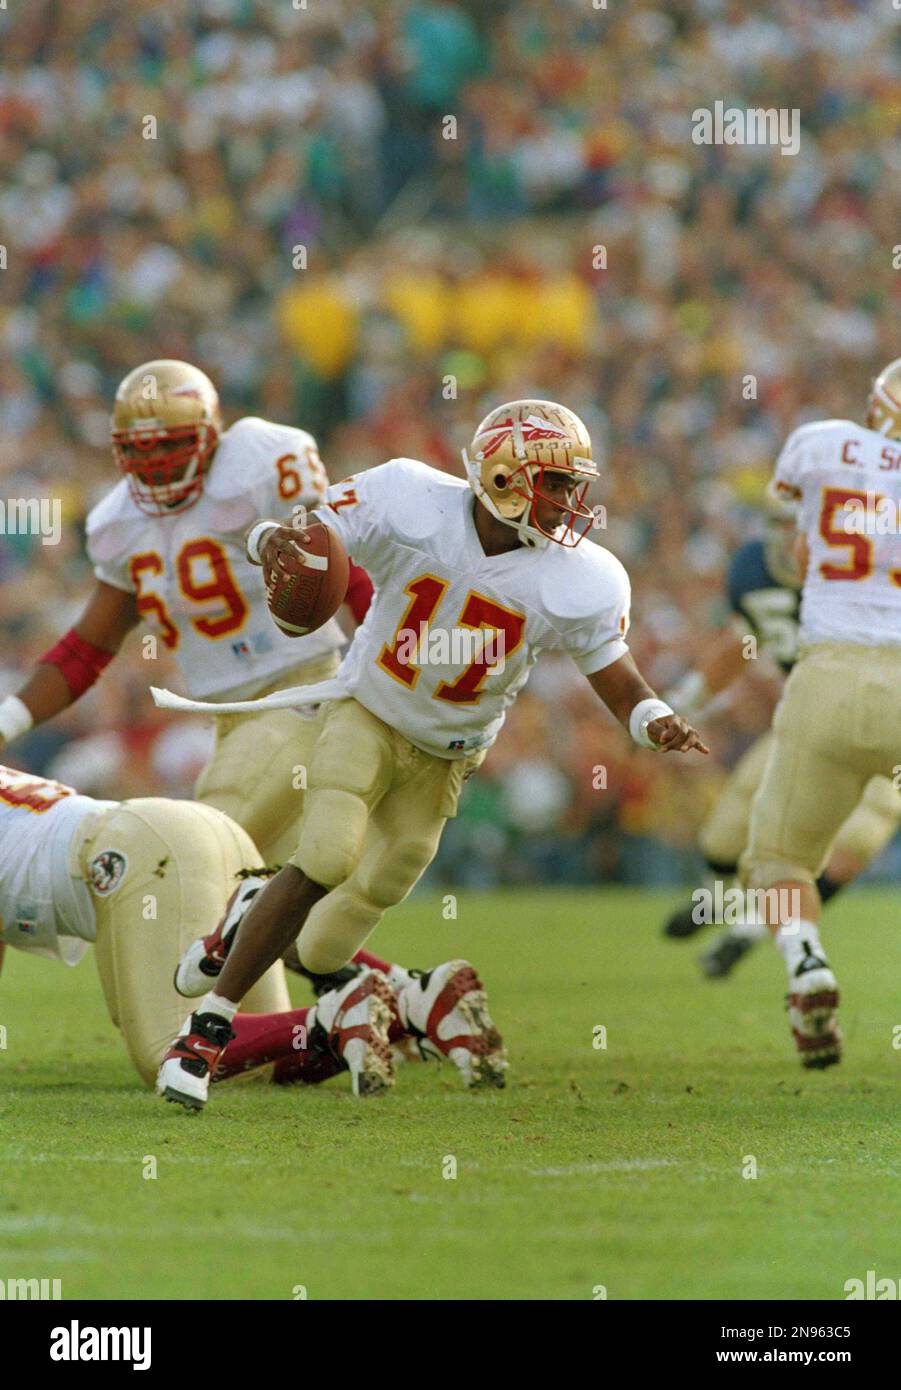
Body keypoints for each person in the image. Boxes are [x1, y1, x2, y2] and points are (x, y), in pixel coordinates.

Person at [152, 398, 708, 1110]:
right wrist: (273, 541)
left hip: (447, 756)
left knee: (328, 943)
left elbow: (613, 671)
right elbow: (316, 536)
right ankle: (203, 1036)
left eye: (574, 485)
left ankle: (251, 907)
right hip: (368, 713)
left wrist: (651, 717)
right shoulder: (409, 500)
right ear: (504, 478)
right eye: (559, 484)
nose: (573, 501)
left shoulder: (585, 579)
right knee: (325, 856)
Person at [0, 360, 373, 871]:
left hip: (300, 690)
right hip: (226, 715)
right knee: (270, 889)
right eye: (138, 449)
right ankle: (372, 959)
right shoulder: (120, 522)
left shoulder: (258, 465)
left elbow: (341, 570)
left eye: (170, 444)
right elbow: (86, 649)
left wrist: (389, 674)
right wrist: (6, 721)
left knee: (196, 859)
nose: (154, 463)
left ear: (209, 434)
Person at [0, 762, 503, 1102]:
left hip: (144, 851)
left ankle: (339, 1012)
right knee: (261, 1057)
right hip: (185, 831)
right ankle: (415, 1004)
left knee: (169, 1050)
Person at [738, 357, 901, 1068]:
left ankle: (806, 963)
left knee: (778, 857)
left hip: (828, 671)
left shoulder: (819, 442)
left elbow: (793, 547)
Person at [662, 495, 901, 976]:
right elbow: (744, 641)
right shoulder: (755, 570)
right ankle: (720, 902)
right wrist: (679, 702)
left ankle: (749, 929)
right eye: (782, 527)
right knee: (728, 828)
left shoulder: (879, 571)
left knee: (853, 836)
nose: (792, 541)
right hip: (814, 720)